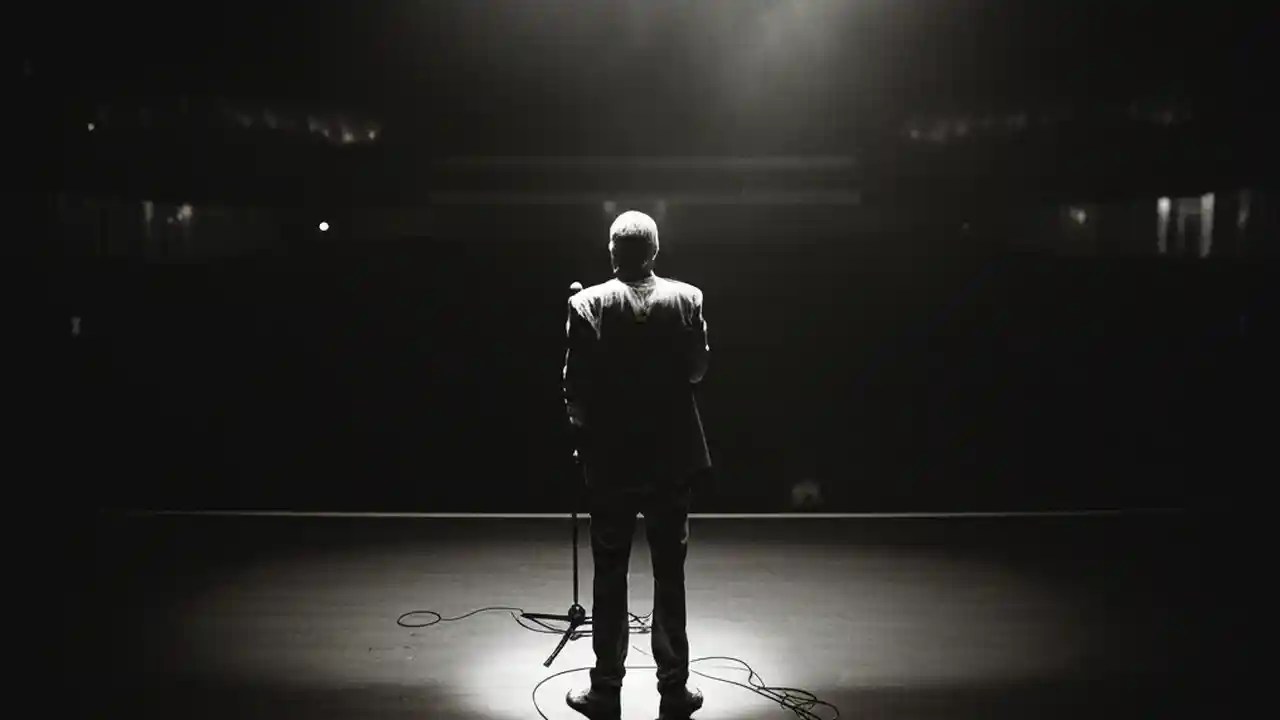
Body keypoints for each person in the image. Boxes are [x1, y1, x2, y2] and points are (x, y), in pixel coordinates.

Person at [563, 210, 710, 720]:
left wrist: (583, 438)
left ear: (612, 252)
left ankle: (606, 688)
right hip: (671, 456)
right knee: (670, 572)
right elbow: (696, 371)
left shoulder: (586, 304)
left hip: (611, 459)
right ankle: (674, 687)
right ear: (655, 251)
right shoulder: (689, 299)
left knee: (610, 571)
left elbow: (575, 388)